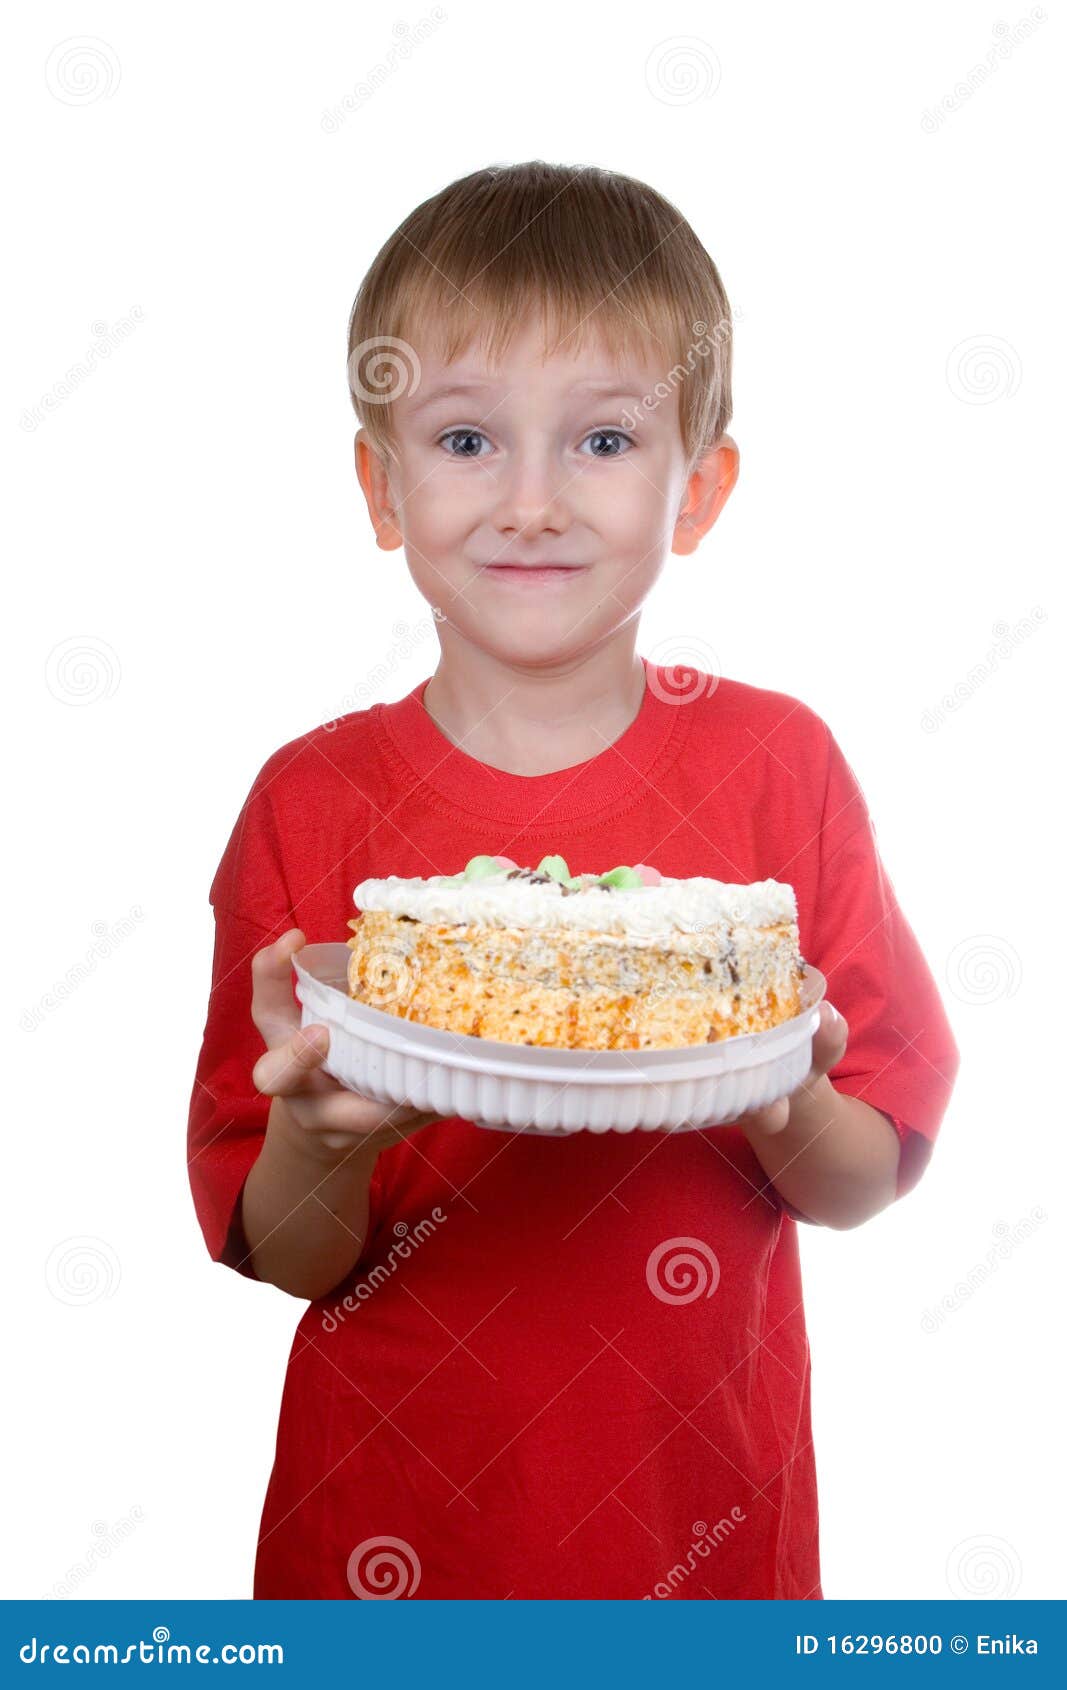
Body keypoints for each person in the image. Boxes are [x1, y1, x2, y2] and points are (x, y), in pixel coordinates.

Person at [186, 161, 959, 1600]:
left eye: (604, 438)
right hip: (385, 1546)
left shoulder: (779, 766)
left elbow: (863, 1177)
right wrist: (326, 1142)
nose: (531, 502)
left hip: (701, 1541)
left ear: (698, 489)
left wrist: (780, 1090)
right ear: (381, 486)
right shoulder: (311, 799)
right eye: (466, 437)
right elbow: (288, 1253)